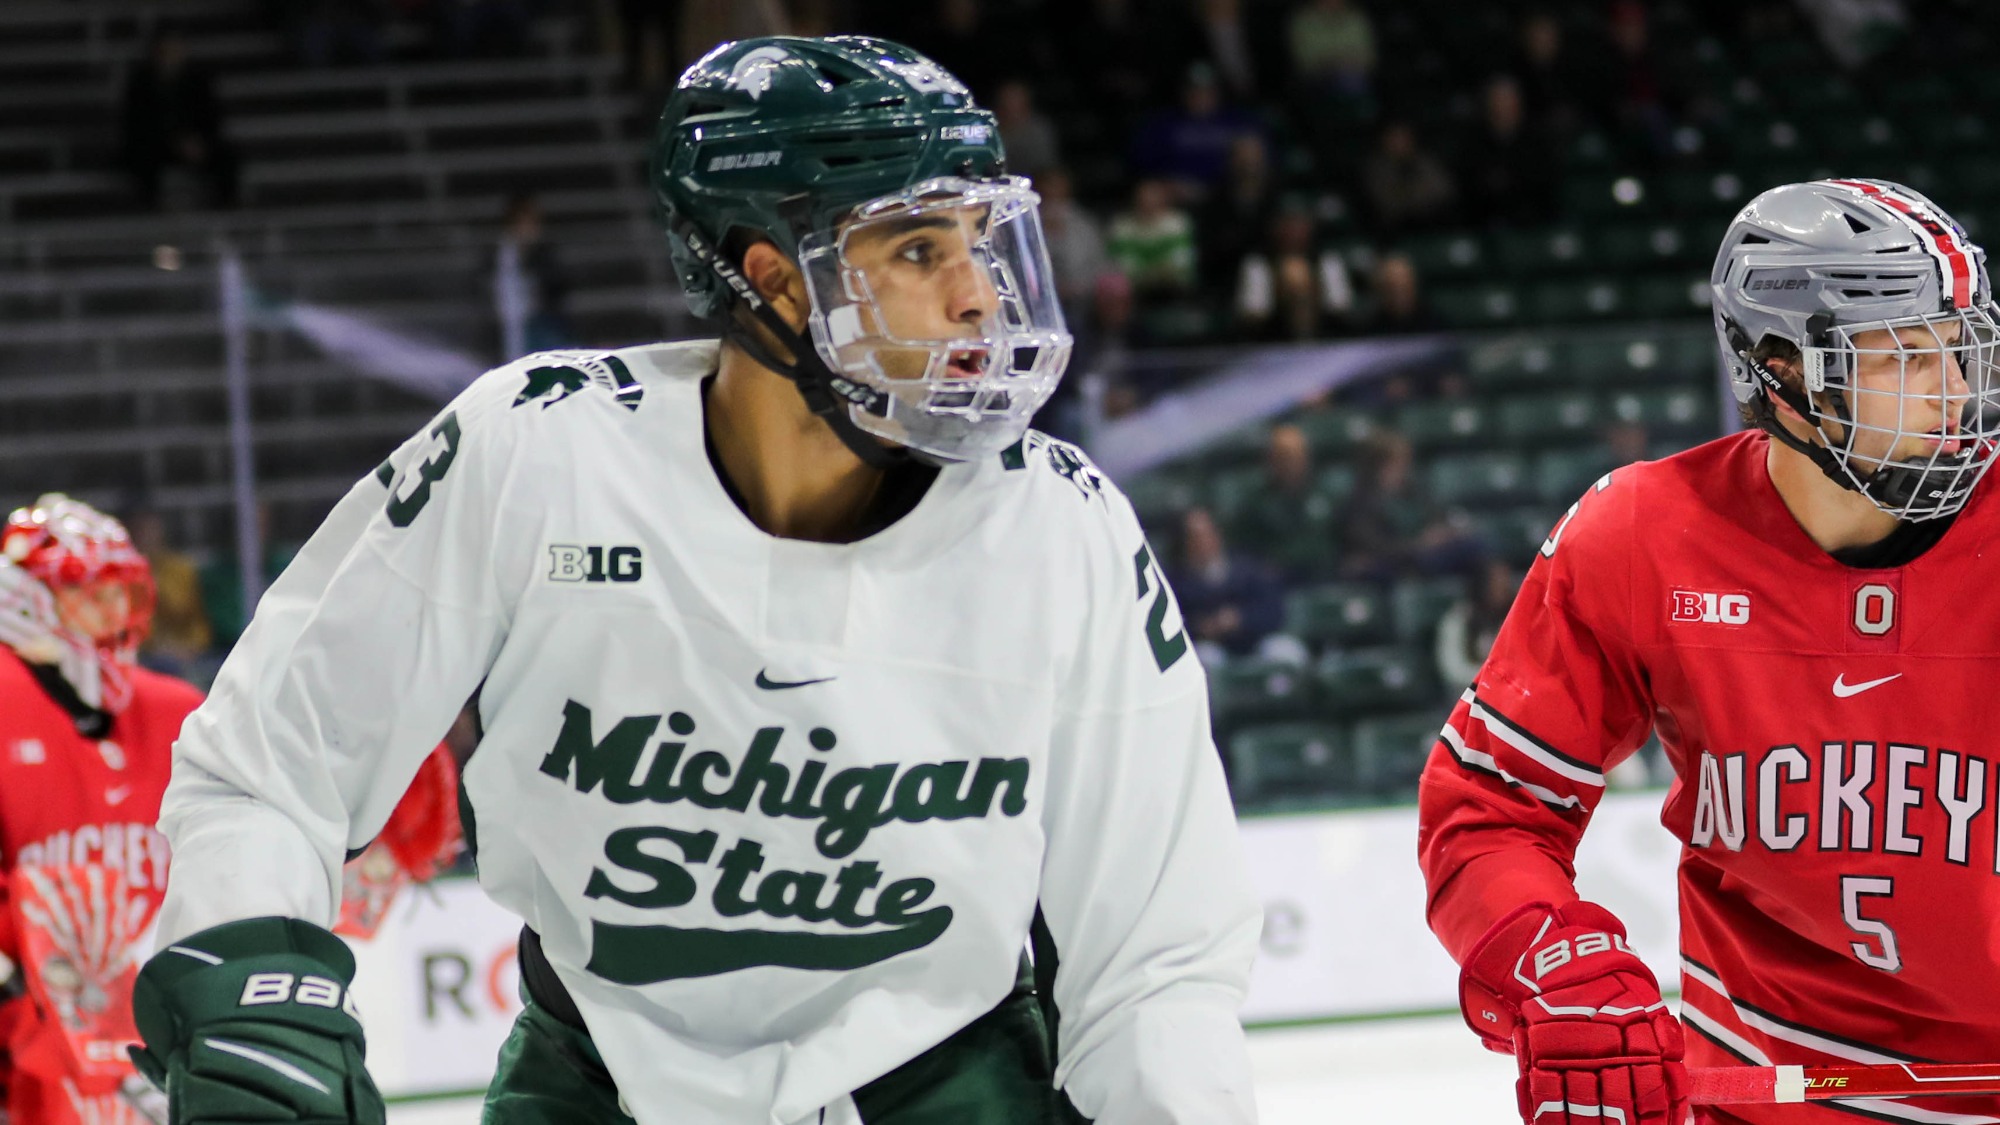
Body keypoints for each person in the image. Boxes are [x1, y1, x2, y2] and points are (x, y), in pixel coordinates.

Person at [133, 35, 1260, 1125]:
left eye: (982, 239)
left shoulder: (1061, 526)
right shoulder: (533, 453)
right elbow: (268, 769)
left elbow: (1153, 951)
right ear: (773, 277)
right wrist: (250, 983)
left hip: (949, 1088)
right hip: (596, 1085)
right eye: (919, 249)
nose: (978, 295)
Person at [1417, 178, 2000, 1125]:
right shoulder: (1643, 536)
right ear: (1783, 371)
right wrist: (1551, 958)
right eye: (1904, 356)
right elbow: (1489, 806)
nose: (1958, 393)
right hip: (1763, 1094)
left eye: (1960, 351)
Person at [0, 495, 200, 1124]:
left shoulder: (177, 711)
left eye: (124, 592)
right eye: (92, 593)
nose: (117, 613)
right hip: (21, 1032)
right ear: (26, 599)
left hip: (161, 1021)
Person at [1170, 506, 1288, 664]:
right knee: (1203, 659)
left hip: (1254, 642)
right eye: (1195, 537)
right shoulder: (1177, 581)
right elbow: (1174, 625)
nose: (1203, 541)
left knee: (1285, 653)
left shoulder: (1247, 569)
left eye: (1207, 534)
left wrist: (1240, 619)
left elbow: (1273, 611)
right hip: (1210, 648)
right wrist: (1203, 626)